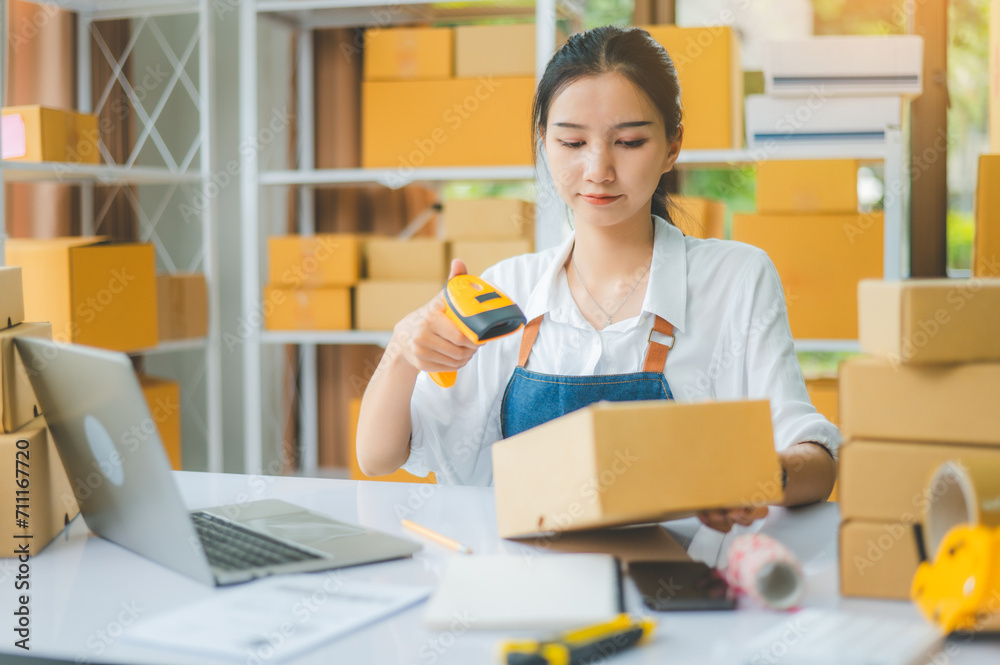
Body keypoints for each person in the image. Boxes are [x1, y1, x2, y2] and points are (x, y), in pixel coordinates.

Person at [356, 25, 840, 533]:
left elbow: (817, 461)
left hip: (679, 593)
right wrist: (402, 351)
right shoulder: (506, 292)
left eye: (629, 141)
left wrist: (762, 475)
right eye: (571, 142)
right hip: (524, 588)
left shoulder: (737, 279)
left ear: (672, 146)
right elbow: (379, 457)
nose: (598, 169)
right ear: (545, 143)